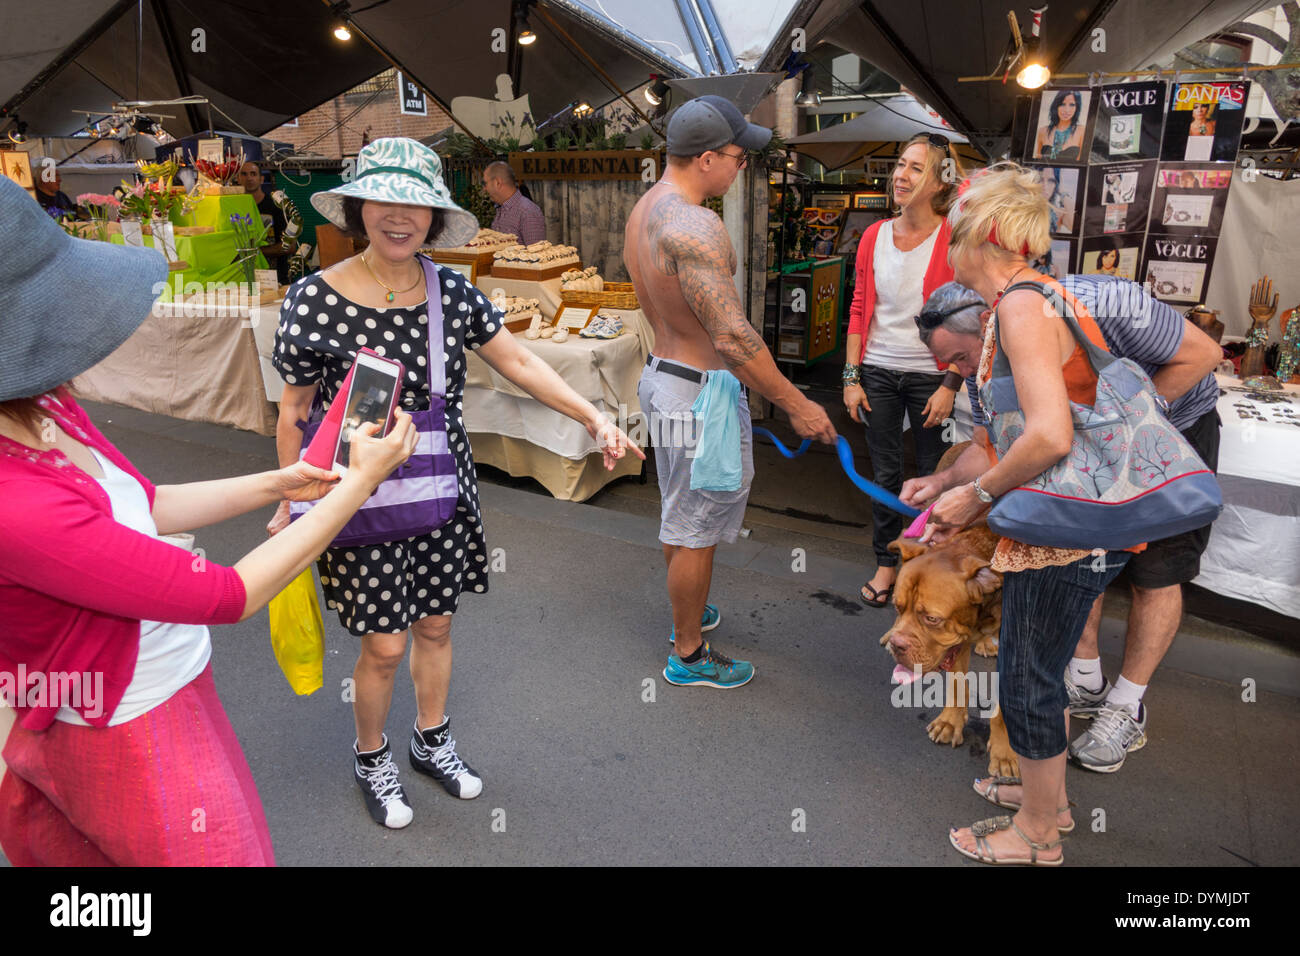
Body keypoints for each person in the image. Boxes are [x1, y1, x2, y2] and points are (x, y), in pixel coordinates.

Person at [0, 175, 418, 866]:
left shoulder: (41, 409)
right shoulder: (18, 503)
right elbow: (225, 594)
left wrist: (279, 482)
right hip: (128, 726)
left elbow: (145, 504)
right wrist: (356, 486)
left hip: (165, 690)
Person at [270, 137, 640, 828]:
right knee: (383, 644)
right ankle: (371, 754)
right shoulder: (313, 300)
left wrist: (594, 415)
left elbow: (520, 363)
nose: (400, 215)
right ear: (357, 208)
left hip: (442, 491)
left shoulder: (454, 290)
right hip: (355, 497)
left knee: (435, 625)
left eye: (417, 203)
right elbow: (293, 411)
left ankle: (430, 741)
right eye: (385, 198)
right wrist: (292, 497)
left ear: (436, 218)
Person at [913, 270, 1223, 775]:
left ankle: (1126, 705)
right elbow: (985, 448)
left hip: (1164, 439)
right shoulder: (983, 362)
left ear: (991, 322)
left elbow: (1204, 354)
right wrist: (938, 485)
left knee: (1155, 577)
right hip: (1079, 450)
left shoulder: (1107, 301)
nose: (959, 372)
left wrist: (1126, 424)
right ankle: (1085, 677)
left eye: (960, 358)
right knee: (1079, 557)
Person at [916, 163, 1138, 865]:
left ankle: (1038, 837)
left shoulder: (1019, 306)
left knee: (1028, 677)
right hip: (1069, 521)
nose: (947, 242)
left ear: (982, 233)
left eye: (954, 229)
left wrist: (977, 496)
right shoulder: (1032, 298)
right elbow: (1014, 435)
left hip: (1064, 529)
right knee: (1033, 668)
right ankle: (1050, 803)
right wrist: (951, 482)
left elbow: (1048, 435)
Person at [624, 95, 836, 689]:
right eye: (739, 157)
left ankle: (686, 612)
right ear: (708, 157)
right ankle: (687, 653)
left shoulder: (646, 209)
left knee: (680, 513)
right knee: (697, 528)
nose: (743, 165)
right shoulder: (694, 223)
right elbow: (734, 337)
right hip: (699, 396)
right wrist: (799, 405)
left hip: (663, 379)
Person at [843, 132, 965, 607]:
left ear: (939, 182)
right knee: (885, 474)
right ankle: (888, 563)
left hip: (933, 377)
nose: (901, 174)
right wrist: (851, 378)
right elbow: (858, 309)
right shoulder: (873, 235)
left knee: (937, 475)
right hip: (877, 372)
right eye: (900, 164)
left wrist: (951, 384)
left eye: (916, 167)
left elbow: (969, 316)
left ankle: (928, 569)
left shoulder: (953, 237)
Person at [236, 160, 289, 282]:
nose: (249, 178)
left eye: (253, 174)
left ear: (261, 179)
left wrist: (255, 252)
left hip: (274, 275)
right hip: (244, 275)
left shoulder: (277, 206)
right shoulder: (235, 208)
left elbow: (289, 246)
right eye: (244, 174)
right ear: (238, 179)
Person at [482, 160, 545, 245]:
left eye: (485, 183)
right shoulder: (499, 208)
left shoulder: (528, 212)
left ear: (497, 183)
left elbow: (536, 254)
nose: (484, 189)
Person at [1035, 90, 1085, 162]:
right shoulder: (1042, 131)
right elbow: (1038, 160)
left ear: (1077, 108)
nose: (1067, 110)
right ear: (1056, 106)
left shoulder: (1082, 131)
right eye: (1062, 104)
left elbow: (1082, 162)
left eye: (1072, 105)